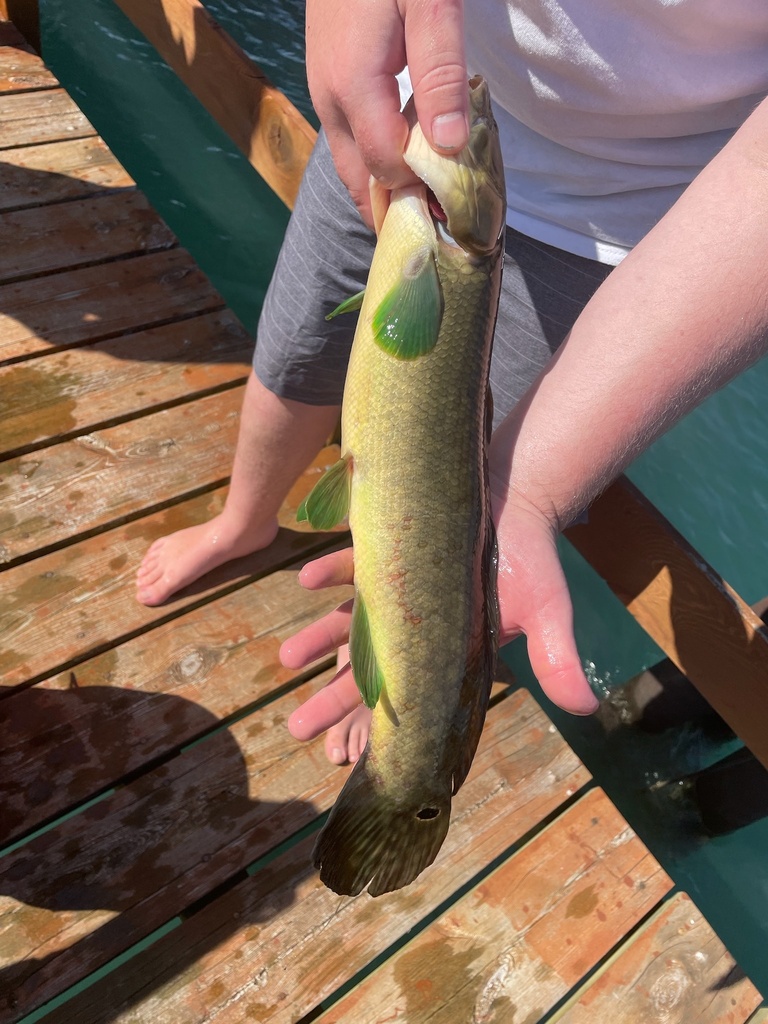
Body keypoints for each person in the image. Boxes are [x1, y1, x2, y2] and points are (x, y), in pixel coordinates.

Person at [138, 0, 768, 765]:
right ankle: (244, 518)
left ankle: (383, 670)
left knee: (461, 497)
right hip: (393, 121)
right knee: (296, 349)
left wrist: (533, 490)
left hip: (612, 227)